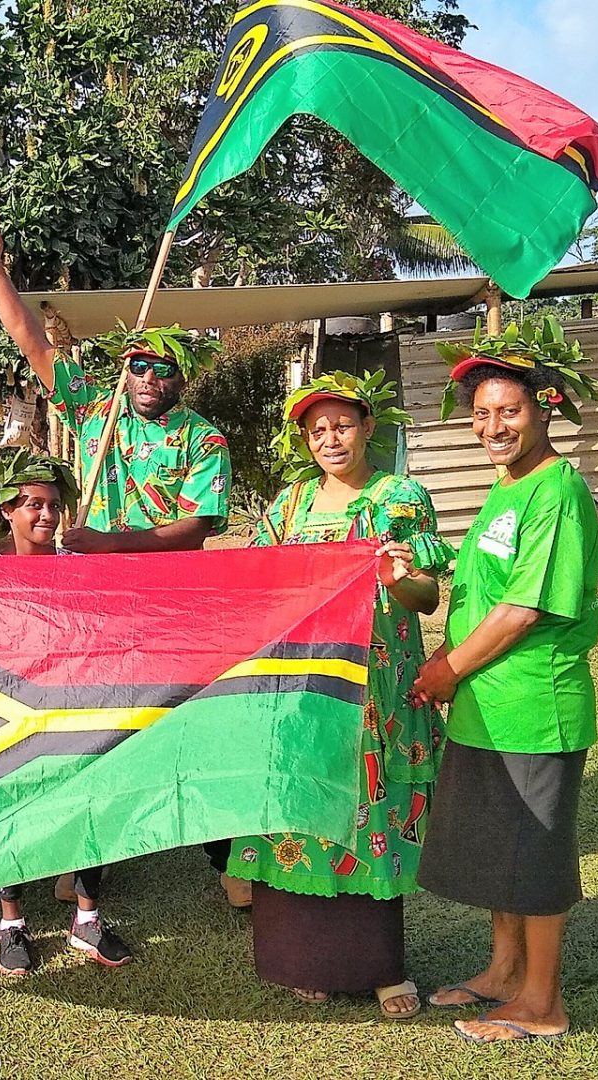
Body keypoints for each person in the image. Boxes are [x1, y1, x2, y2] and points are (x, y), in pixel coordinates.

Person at [0, 200, 246, 906]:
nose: (147, 377)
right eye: (137, 366)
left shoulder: (201, 438)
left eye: (161, 369)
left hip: (170, 603)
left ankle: (227, 859)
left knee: (187, 726)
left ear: (180, 378)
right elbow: (31, 343)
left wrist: (110, 542)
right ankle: (86, 863)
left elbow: (199, 526)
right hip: (92, 604)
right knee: (94, 728)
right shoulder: (94, 412)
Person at [224, 373, 449, 1021]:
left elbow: (426, 597)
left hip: (376, 691)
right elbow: (254, 583)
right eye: (317, 430)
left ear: (368, 427)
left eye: (342, 425)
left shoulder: (398, 497)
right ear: (305, 438)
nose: (331, 439)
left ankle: (381, 970)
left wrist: (398, 576)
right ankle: (313, 961)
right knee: (309, 814)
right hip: (305, 691)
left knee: (368, 814)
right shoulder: (290, 506)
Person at [408, 319, 598, 1044]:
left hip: (533, 702)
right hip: (488, 705)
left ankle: (542, 1001)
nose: (494, 425)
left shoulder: (555, 490)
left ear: (545, 407)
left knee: (535, 853)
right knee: (501, 846)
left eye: (510, 411)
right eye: (483, 413)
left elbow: (523, 608)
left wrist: (445, 669)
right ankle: (502, 972)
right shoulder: (507, 488)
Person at [0, 448, 132, 975]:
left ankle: (88, 919)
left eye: (53, 506)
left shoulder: (83, 571)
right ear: (8, 512)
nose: (45, 516)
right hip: (10, 715)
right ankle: (11, 922)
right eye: (32, 505)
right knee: (10, 809)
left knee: (91, 804)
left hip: (76, 708)